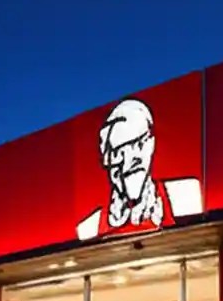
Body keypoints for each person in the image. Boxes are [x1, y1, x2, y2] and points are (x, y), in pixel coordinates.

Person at [76, 98, 202, 241]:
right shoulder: (90, 227)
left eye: (139, 144)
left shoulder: (185, 195)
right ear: (108, 164)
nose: (131, 158)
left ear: (151, 144)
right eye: (119, 152)